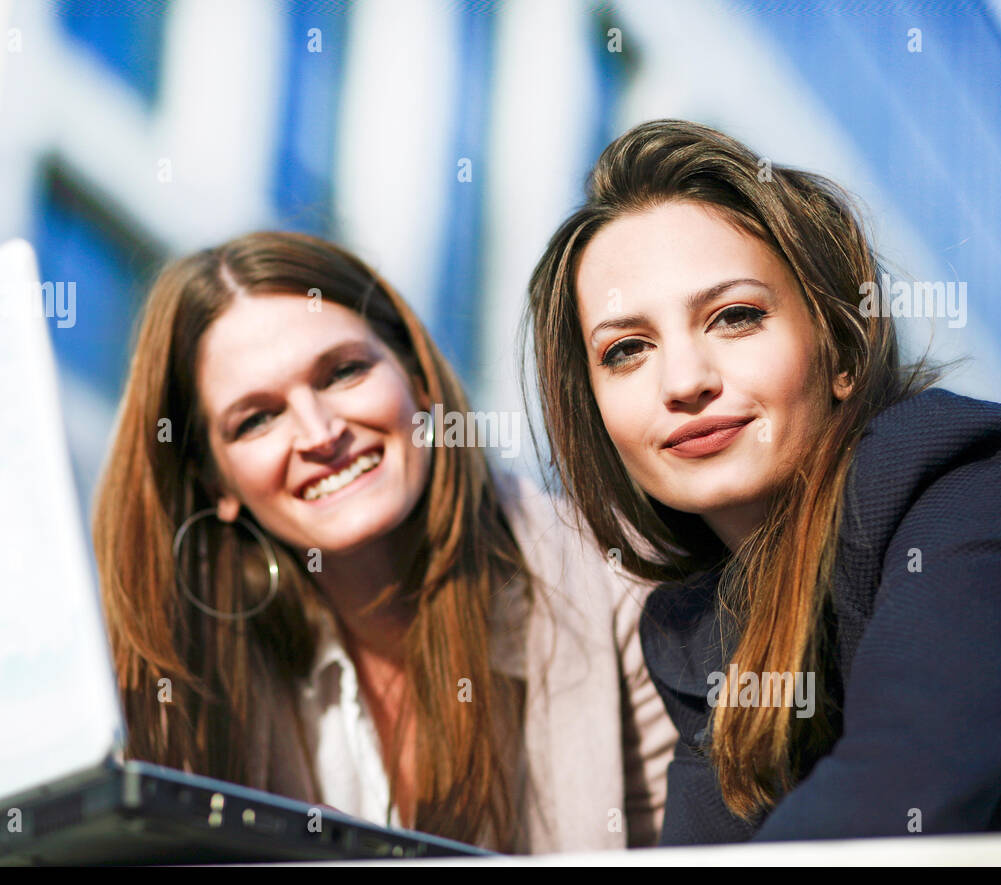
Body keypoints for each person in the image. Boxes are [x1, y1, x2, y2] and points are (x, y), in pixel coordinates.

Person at [523, 118, 1001, 843]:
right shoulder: (696, 630)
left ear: (842, 350)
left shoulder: (967, 476)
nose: (683, 381)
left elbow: (891, 807)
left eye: (735, 317)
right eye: (626, 350)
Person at [91, 230, 677, 853]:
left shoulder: (622, 592)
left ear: (417, 379)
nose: (318, 434)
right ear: (216, 482)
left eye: (343, 372)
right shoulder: (185, 676)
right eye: (257, 419)